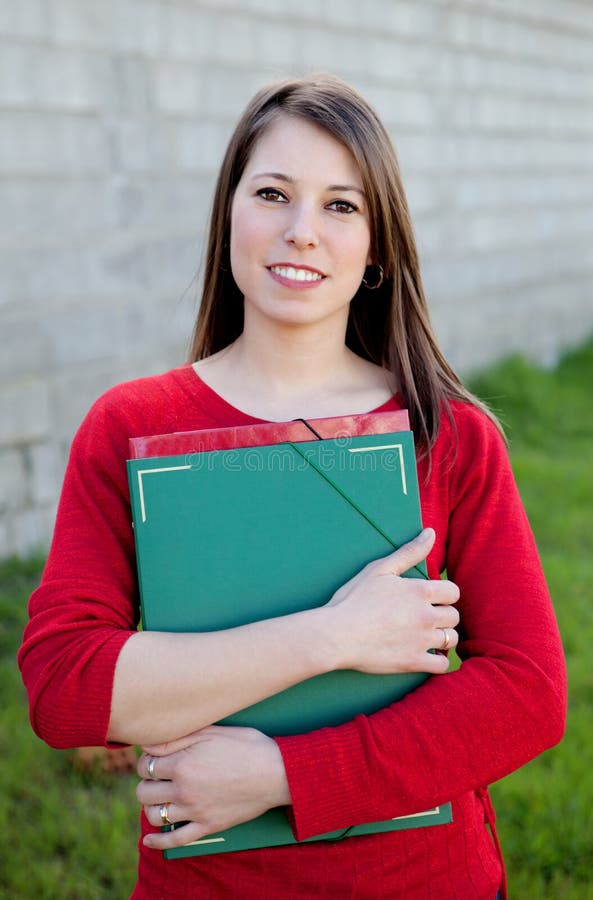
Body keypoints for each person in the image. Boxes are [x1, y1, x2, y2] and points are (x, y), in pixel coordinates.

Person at [18, 74, 566, 899]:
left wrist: (283, 773)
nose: (301, 231)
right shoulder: (130, 426)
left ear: (377, 248)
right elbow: (65, 688)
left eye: (341, 206)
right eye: (272, 193)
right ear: (229, 213)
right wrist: (332, 637)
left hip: (425, 879)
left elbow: (526, 693)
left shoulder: (446, 433)